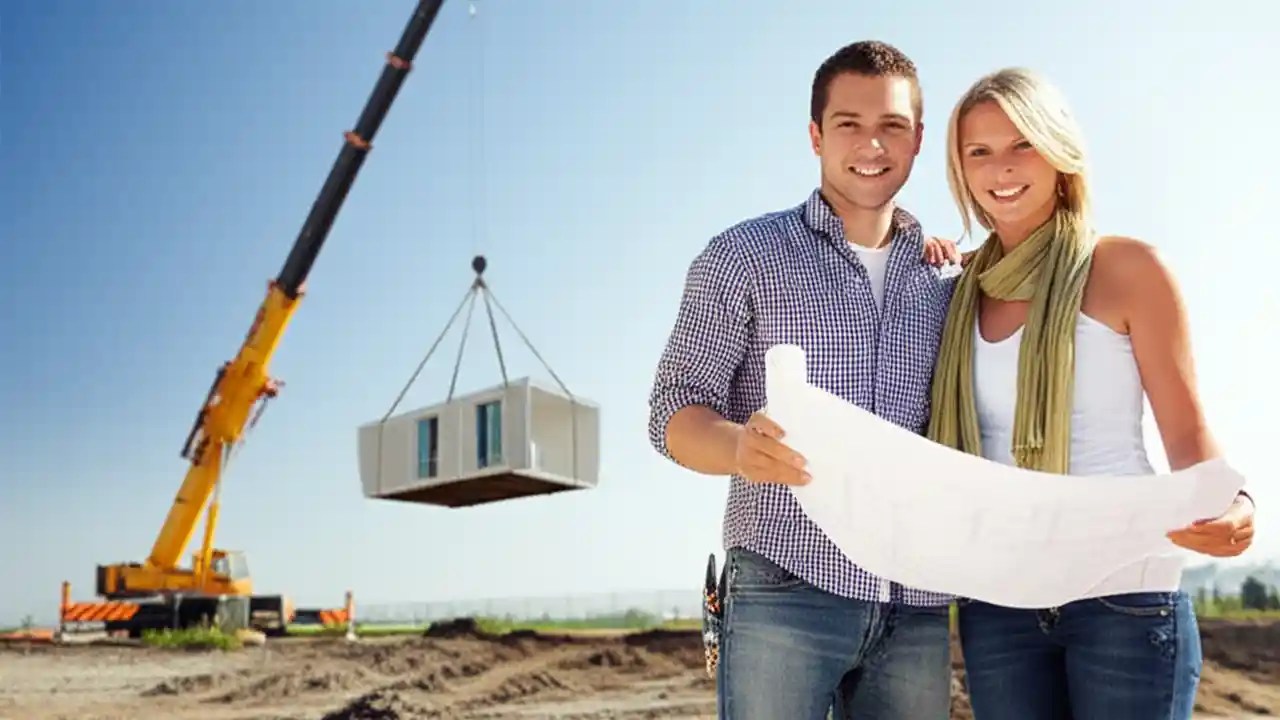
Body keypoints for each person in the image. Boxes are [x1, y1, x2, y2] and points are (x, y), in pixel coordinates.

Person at [925, 66, 1257, 719]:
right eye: (980, 152)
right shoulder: (955, 291)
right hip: (1001, 602)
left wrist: (1235, 499)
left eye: (1023, 143)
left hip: (1124, 595)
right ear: (960, 169)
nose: (1003, 167)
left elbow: (1186, 431)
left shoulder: (1128, 269)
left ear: (1059, 150)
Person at [647, 40, 960, 719]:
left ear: (917, 142)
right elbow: (672, 408)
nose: (871, 143)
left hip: (915, 605)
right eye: (849, 124)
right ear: (816, 135)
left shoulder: (946, 281)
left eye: (892, 127)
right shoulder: (742, 256)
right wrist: (735, 447)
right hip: (786, 589)